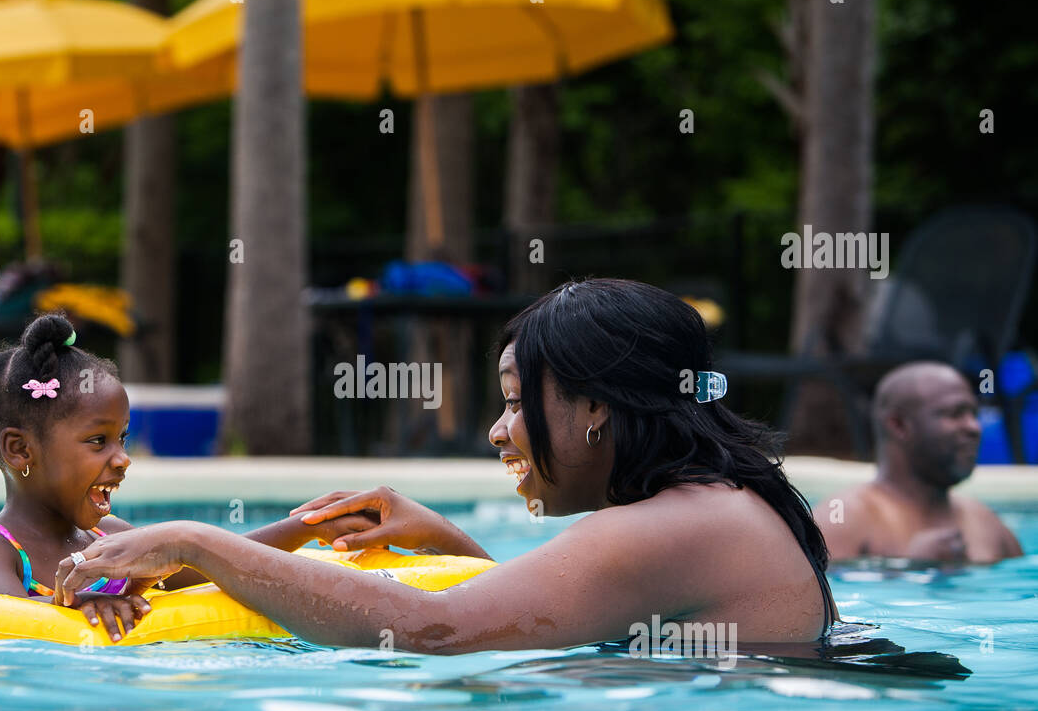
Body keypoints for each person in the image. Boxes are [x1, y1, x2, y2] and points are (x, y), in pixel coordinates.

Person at [50, 279, 840, 653]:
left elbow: (432, 632)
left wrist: (195, 541)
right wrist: (454, 545)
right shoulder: (713, 506)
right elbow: (557, 620)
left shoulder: (682, 524)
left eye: (513, 402)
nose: (498, 434)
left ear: (597, 407)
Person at [0, 313, 375, 641]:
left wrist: (308, 526)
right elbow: (9, 626)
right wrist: (80, 602)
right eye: (97, 441)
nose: (123, 459)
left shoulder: (107, 536)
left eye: (122, 439)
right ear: (20, 450)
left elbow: (211, 563)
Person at [813, 361, 1022, 564]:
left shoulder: (986, 524)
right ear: (899, 425)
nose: (974, 427)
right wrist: (908, 568)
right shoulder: (841, 520)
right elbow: (811, 595)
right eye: (955, 414)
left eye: (973, 414)